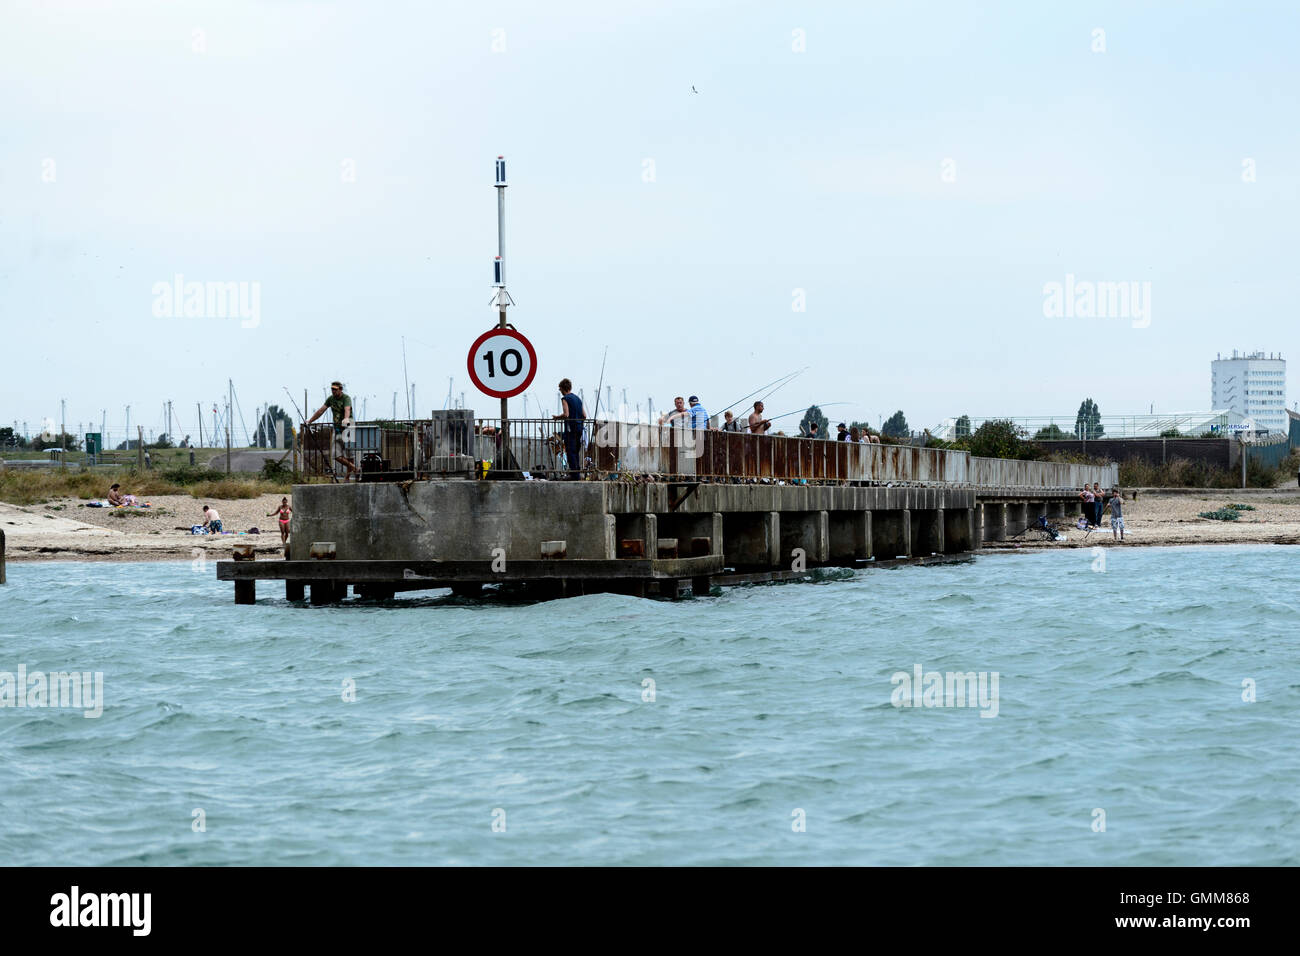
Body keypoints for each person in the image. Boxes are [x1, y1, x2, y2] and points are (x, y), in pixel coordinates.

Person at [305, 381, 358, 479]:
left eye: (335, 389)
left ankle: (348, 476)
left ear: (340, 389)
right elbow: (321, 410)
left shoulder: (346, 398)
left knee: (350, 454)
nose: (333, 391)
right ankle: (355, 468)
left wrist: (346, 419)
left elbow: (347, 409)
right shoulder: (330, 399)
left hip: (348, 428)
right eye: (332, 389)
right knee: (336, 455)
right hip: (337, 429)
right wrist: (310, 421)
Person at [552, 378, 586, 479]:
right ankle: (577, 473)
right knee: (576, 451)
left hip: (570, 428)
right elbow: (584, 415)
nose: (560, 391)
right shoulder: (578, 399)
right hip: (579, 428)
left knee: (570, 451)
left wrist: (557, 418)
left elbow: (566, 414)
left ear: (563, 388)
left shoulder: (565, 399)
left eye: (560, 389)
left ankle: (574, 475)